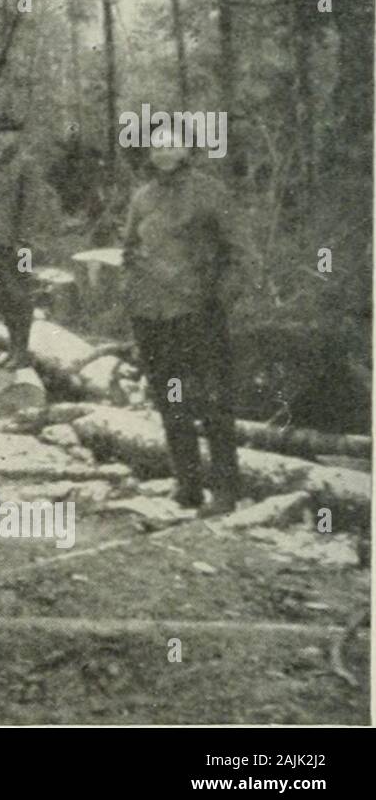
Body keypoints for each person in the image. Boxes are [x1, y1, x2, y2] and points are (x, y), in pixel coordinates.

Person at [122, 135, 243, 515]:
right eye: (157, 145)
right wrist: (134, 297)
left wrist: (216, 301)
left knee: (212, 402)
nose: (164, 152)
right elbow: (128, 251)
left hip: (198, 317)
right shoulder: (142, 197)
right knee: (171, 399)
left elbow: (238, 253)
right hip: (153, 319)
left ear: (188, 150)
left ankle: (225, 490)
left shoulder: (210, 193)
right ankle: (187, 484)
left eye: (172, 144)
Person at [0, 112, 57, 369]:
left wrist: (24, 241)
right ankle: (13, 348)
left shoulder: (25, 163)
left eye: (6, 133)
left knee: (19, 294)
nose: (0, 139)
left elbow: (33, 206)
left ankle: (22, 352)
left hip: (18, 243)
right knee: (0, 296)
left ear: (16, 135)